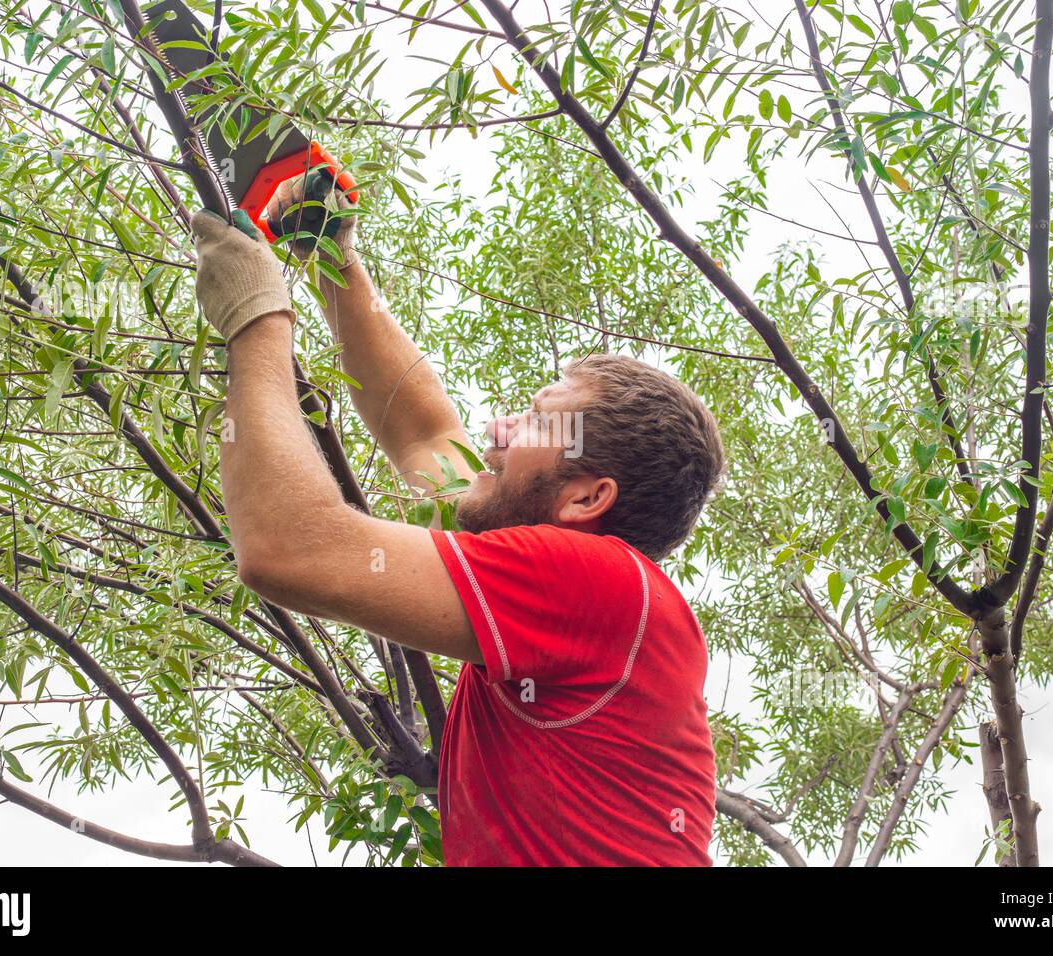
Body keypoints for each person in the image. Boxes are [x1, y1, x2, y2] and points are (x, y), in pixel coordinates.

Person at [189, 165, 725, 865]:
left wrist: (258, 320)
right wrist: (330, 258)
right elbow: (423, 432)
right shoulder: (578, 596)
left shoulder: (598, 581)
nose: (496, 431)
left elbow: (287, 549)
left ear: (587, 498)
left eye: (534, 422)